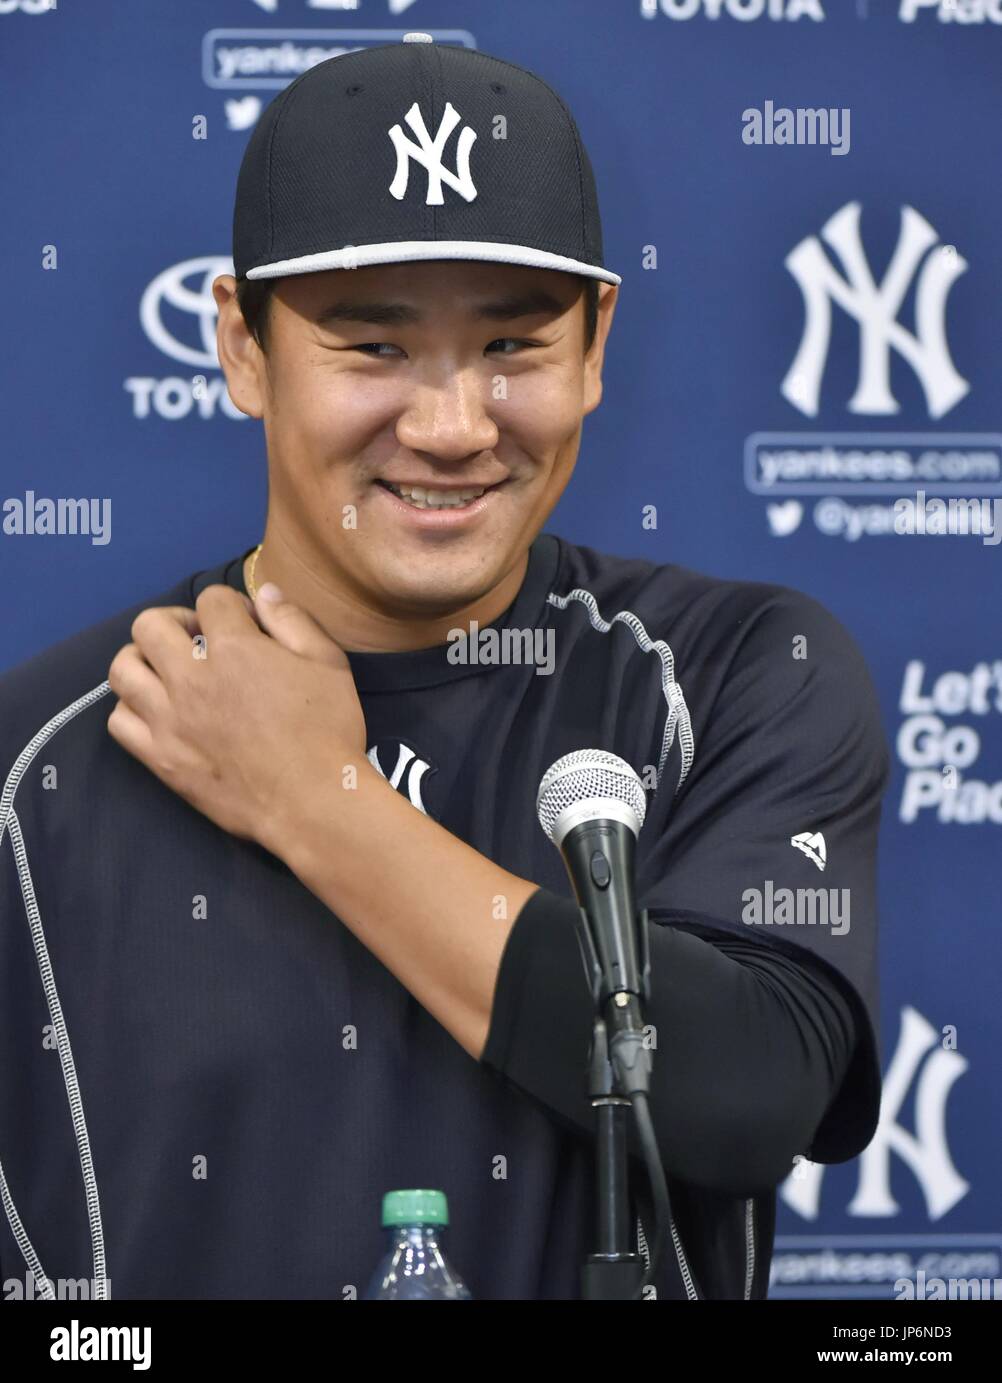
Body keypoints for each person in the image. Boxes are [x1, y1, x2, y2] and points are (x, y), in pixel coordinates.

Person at [0, 35, 889, 1301]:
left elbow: (746, 1093)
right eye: (373, 348)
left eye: (514, 347)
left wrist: (318, 797)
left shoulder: (735, 672)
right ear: (243, 348)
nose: (453, 425)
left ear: (596, 344)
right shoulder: (35, 762)